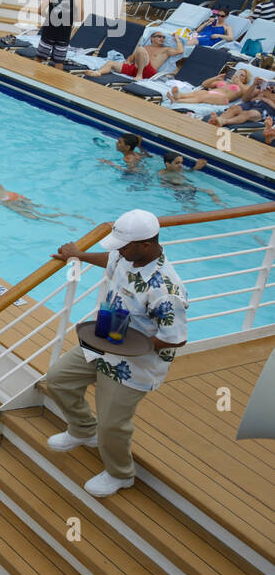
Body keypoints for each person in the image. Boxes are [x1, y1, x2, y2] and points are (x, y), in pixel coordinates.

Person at [42, 210, 188, 496]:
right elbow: (110, 261)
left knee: (112, 424)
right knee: (58, 379)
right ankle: (84, 430)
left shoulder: (166, 289)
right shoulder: (126, 256)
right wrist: (79, 254)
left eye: (123, 245)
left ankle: (120, 474)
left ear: (146, 244)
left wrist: (131, 345)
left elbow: (175, 339)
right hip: (104, 340)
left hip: (135, 363)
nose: (118, 250)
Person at [88, 30, 182, 81]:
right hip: (135, 69)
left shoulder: (165, 50)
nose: (162, 38)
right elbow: (132, 57)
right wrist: (128, 61)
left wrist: (177, 39)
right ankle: (98, 72)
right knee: (110, 63)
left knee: (140, 49)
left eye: (164, 37)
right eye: (159, 36)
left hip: (149, 72)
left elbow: (180, 51)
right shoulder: (146, 47)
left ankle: (139, 76)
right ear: (152, 38)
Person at [37, 0, 82, 67]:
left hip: (49, 30)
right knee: (59, 62)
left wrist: (48, 17)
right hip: (63, 33)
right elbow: (79, 18)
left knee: (39, 58)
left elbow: (40, 11)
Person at [166, 68, 250, 105]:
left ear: (245, 79)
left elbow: (246, 94)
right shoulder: (224, 82)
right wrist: (216, 77)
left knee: (204, 96)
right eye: (238, 73)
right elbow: (204, 84)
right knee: (202, 92)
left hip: (224, 99)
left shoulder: (244, 86)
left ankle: (178, 101)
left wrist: (238, 83)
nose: (239, 76)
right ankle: (178, 95)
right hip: (211, 93)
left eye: (242, 75)